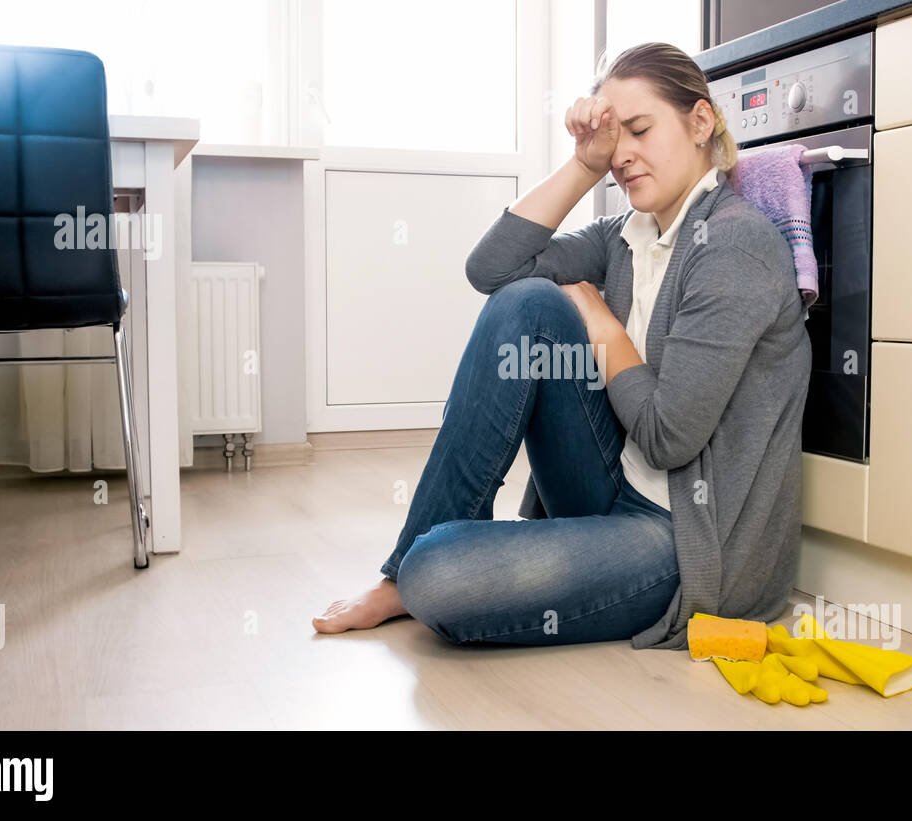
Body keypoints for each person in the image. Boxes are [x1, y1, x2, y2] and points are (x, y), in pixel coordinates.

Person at [313, 42, 812, 651]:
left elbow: (668, 438)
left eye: (640, 129)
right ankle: (400, 576)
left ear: (700, 121)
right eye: (613, 139)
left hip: (684, 538)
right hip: (614, 487)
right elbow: (493, 270)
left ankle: (423, 571)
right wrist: (584, 164)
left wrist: (603, 326)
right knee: (529, 304)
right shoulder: (627, 235)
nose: (623, 155)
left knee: (438, 573)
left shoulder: (733, 245)